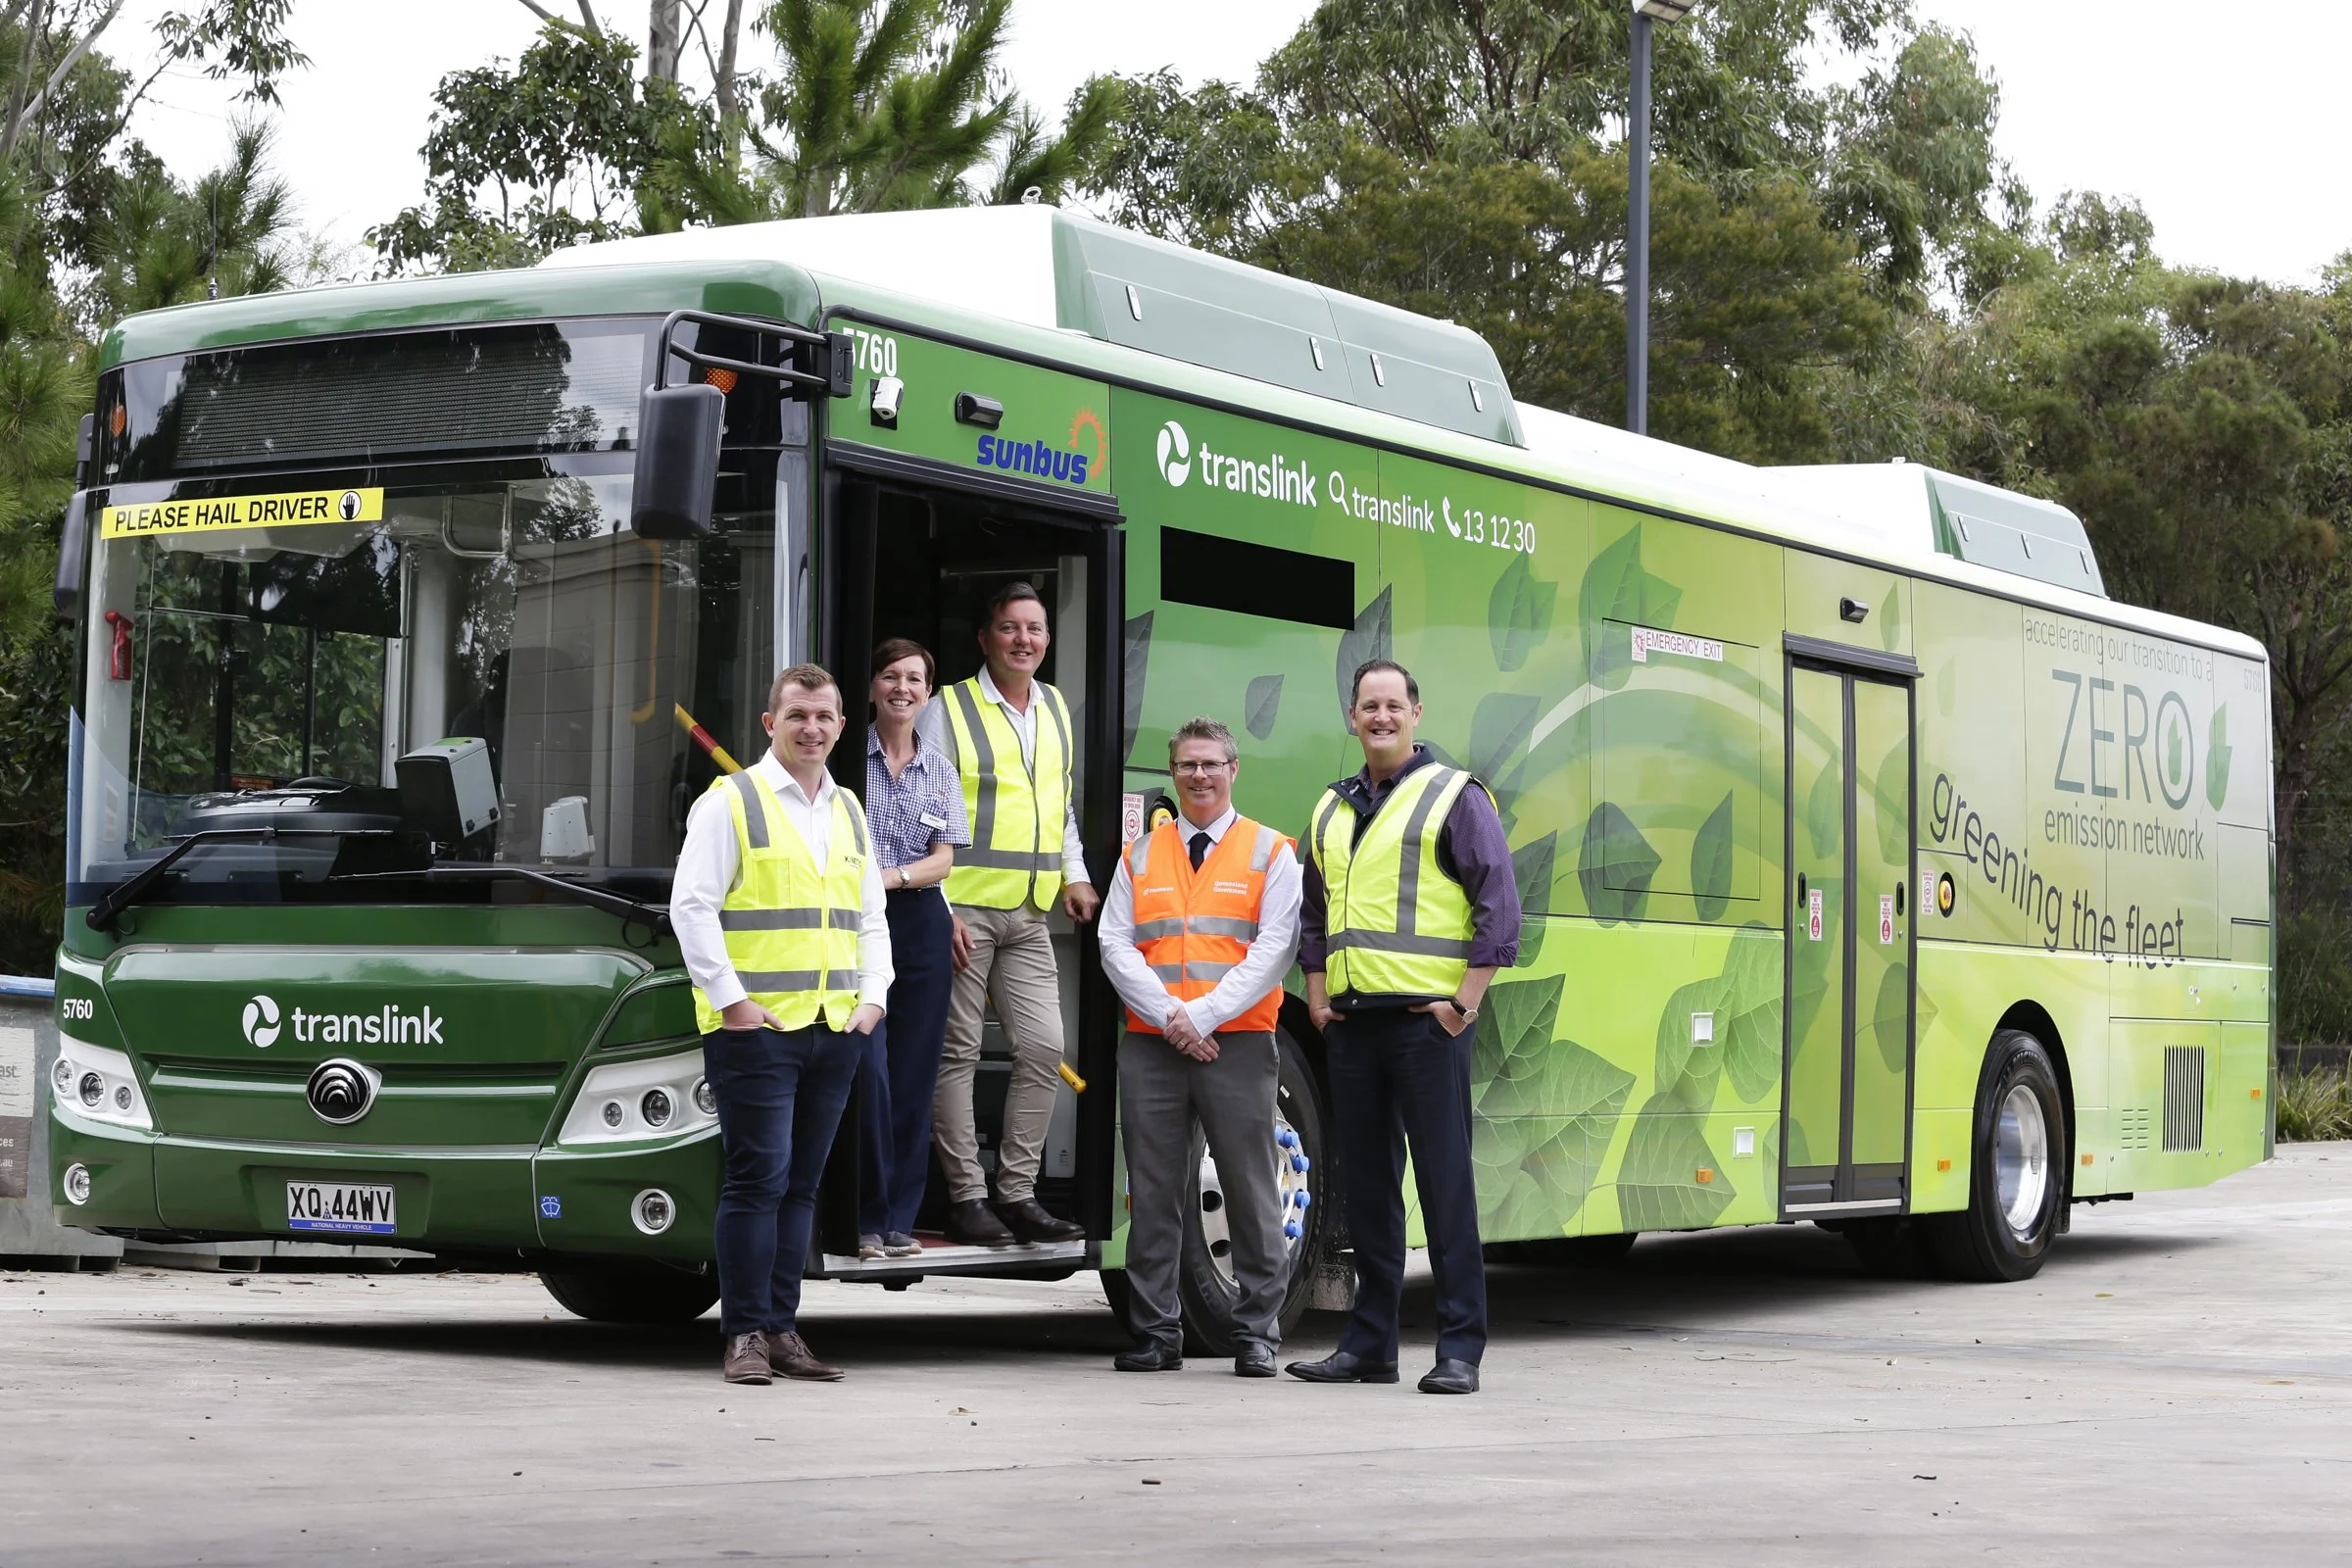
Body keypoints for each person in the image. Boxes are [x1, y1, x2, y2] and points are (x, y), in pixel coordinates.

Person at [1288, 659, 1521, 1396]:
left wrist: (1464, 1005)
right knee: (1367, 1192)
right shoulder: (1328, 809)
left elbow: (1498, 907)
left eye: (1394, 705)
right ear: (1351, 718)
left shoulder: (1455, 795)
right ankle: (1370, 1347)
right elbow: (1315, 914)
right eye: (1368, 706)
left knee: (1446, 1188)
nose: (1381, 717)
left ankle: (1459, 1350)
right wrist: (1318, 994)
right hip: (1354, 1026)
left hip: (1429, 1027)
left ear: (1416, 713)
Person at [671, 663, 890, 1386]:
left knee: (801, 1185)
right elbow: (692, 907)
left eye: (824, 716)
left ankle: (782, 1327)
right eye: (798, 715)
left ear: (840, 725)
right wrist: (732, 1001)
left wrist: (874, 999)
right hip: (755, 1028)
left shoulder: (850, 809)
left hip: (836, 1026)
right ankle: (743, 1336)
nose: (812, 728)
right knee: (756, 1180)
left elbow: (868, 918)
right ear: (771, 724)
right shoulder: (731, 802)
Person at [1098, 715, 1302, 1377]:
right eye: (1187, 765)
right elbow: (1113, 942)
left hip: (1236, 1042)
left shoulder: (1271, 852)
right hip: (1154, 1044)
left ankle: (1256, 1333)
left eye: (1211, 763)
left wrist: (1204, 1016)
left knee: (1249, 1187)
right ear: (1174, 773)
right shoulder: (1141, 855)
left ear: (1233, 770)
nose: (1199, 775)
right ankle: (1157, 1332)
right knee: (1154, 1189)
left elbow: (1276, 950)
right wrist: (1170, 1015)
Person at [917, 581, 1096, 1248]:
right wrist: (937, 908)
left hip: (1029, 909)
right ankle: (966, 1198)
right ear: (986, 637)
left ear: (1047, 640)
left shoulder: (1052, 707)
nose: (1024, 640)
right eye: (1010, 627)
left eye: (1036, 629)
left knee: (1045, 1047)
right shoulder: (949, 709)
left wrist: (1074, 874)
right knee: (956, 1053)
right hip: (962, 906)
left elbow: (1061, 804)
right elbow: (921, 811)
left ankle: (1016, 1193)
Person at [856, 638, 969, 1261]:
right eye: (891, 677)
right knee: (867, 1069)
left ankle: (897, 1219)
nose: (903, 688)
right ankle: (862, 1213)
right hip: (855, 924)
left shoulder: (942, 771)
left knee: (913, 1072)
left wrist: (894, 877)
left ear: (928, 693)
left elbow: (945, 859)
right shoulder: (848, 758)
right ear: (872, 687)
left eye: (915, 679)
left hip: (919, 921)